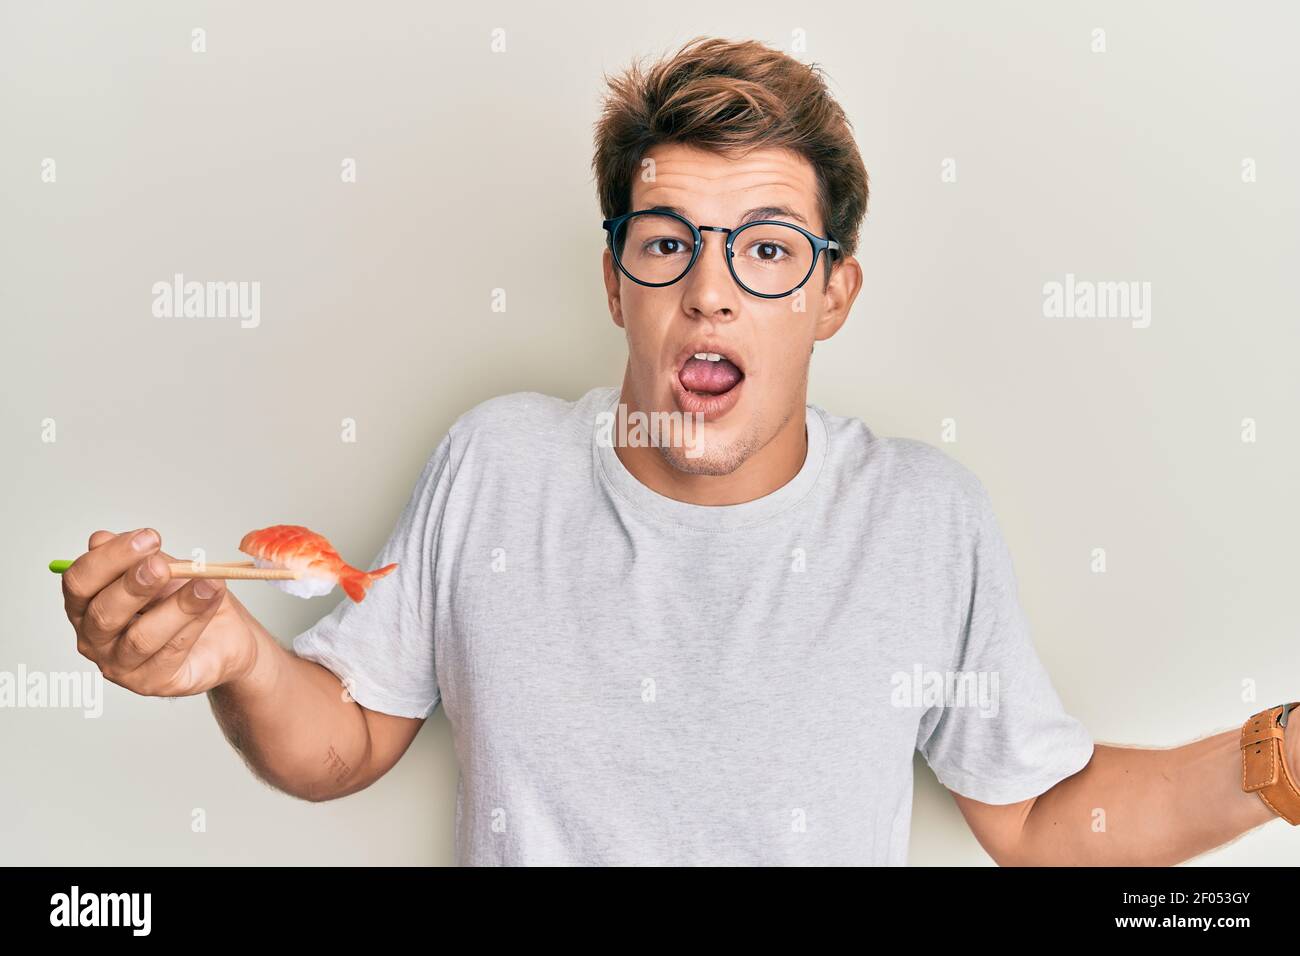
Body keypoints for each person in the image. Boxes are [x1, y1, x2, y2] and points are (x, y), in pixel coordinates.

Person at [61, 36, 1299, 865]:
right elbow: (343, 741)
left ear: (831, 296)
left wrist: (1275, 760)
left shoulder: (922, 519)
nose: (710, 291)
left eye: (766, 249)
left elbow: (1036, 815)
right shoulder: (497, 463)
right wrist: (234, 658)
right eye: (668, 243)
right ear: (615, 283)